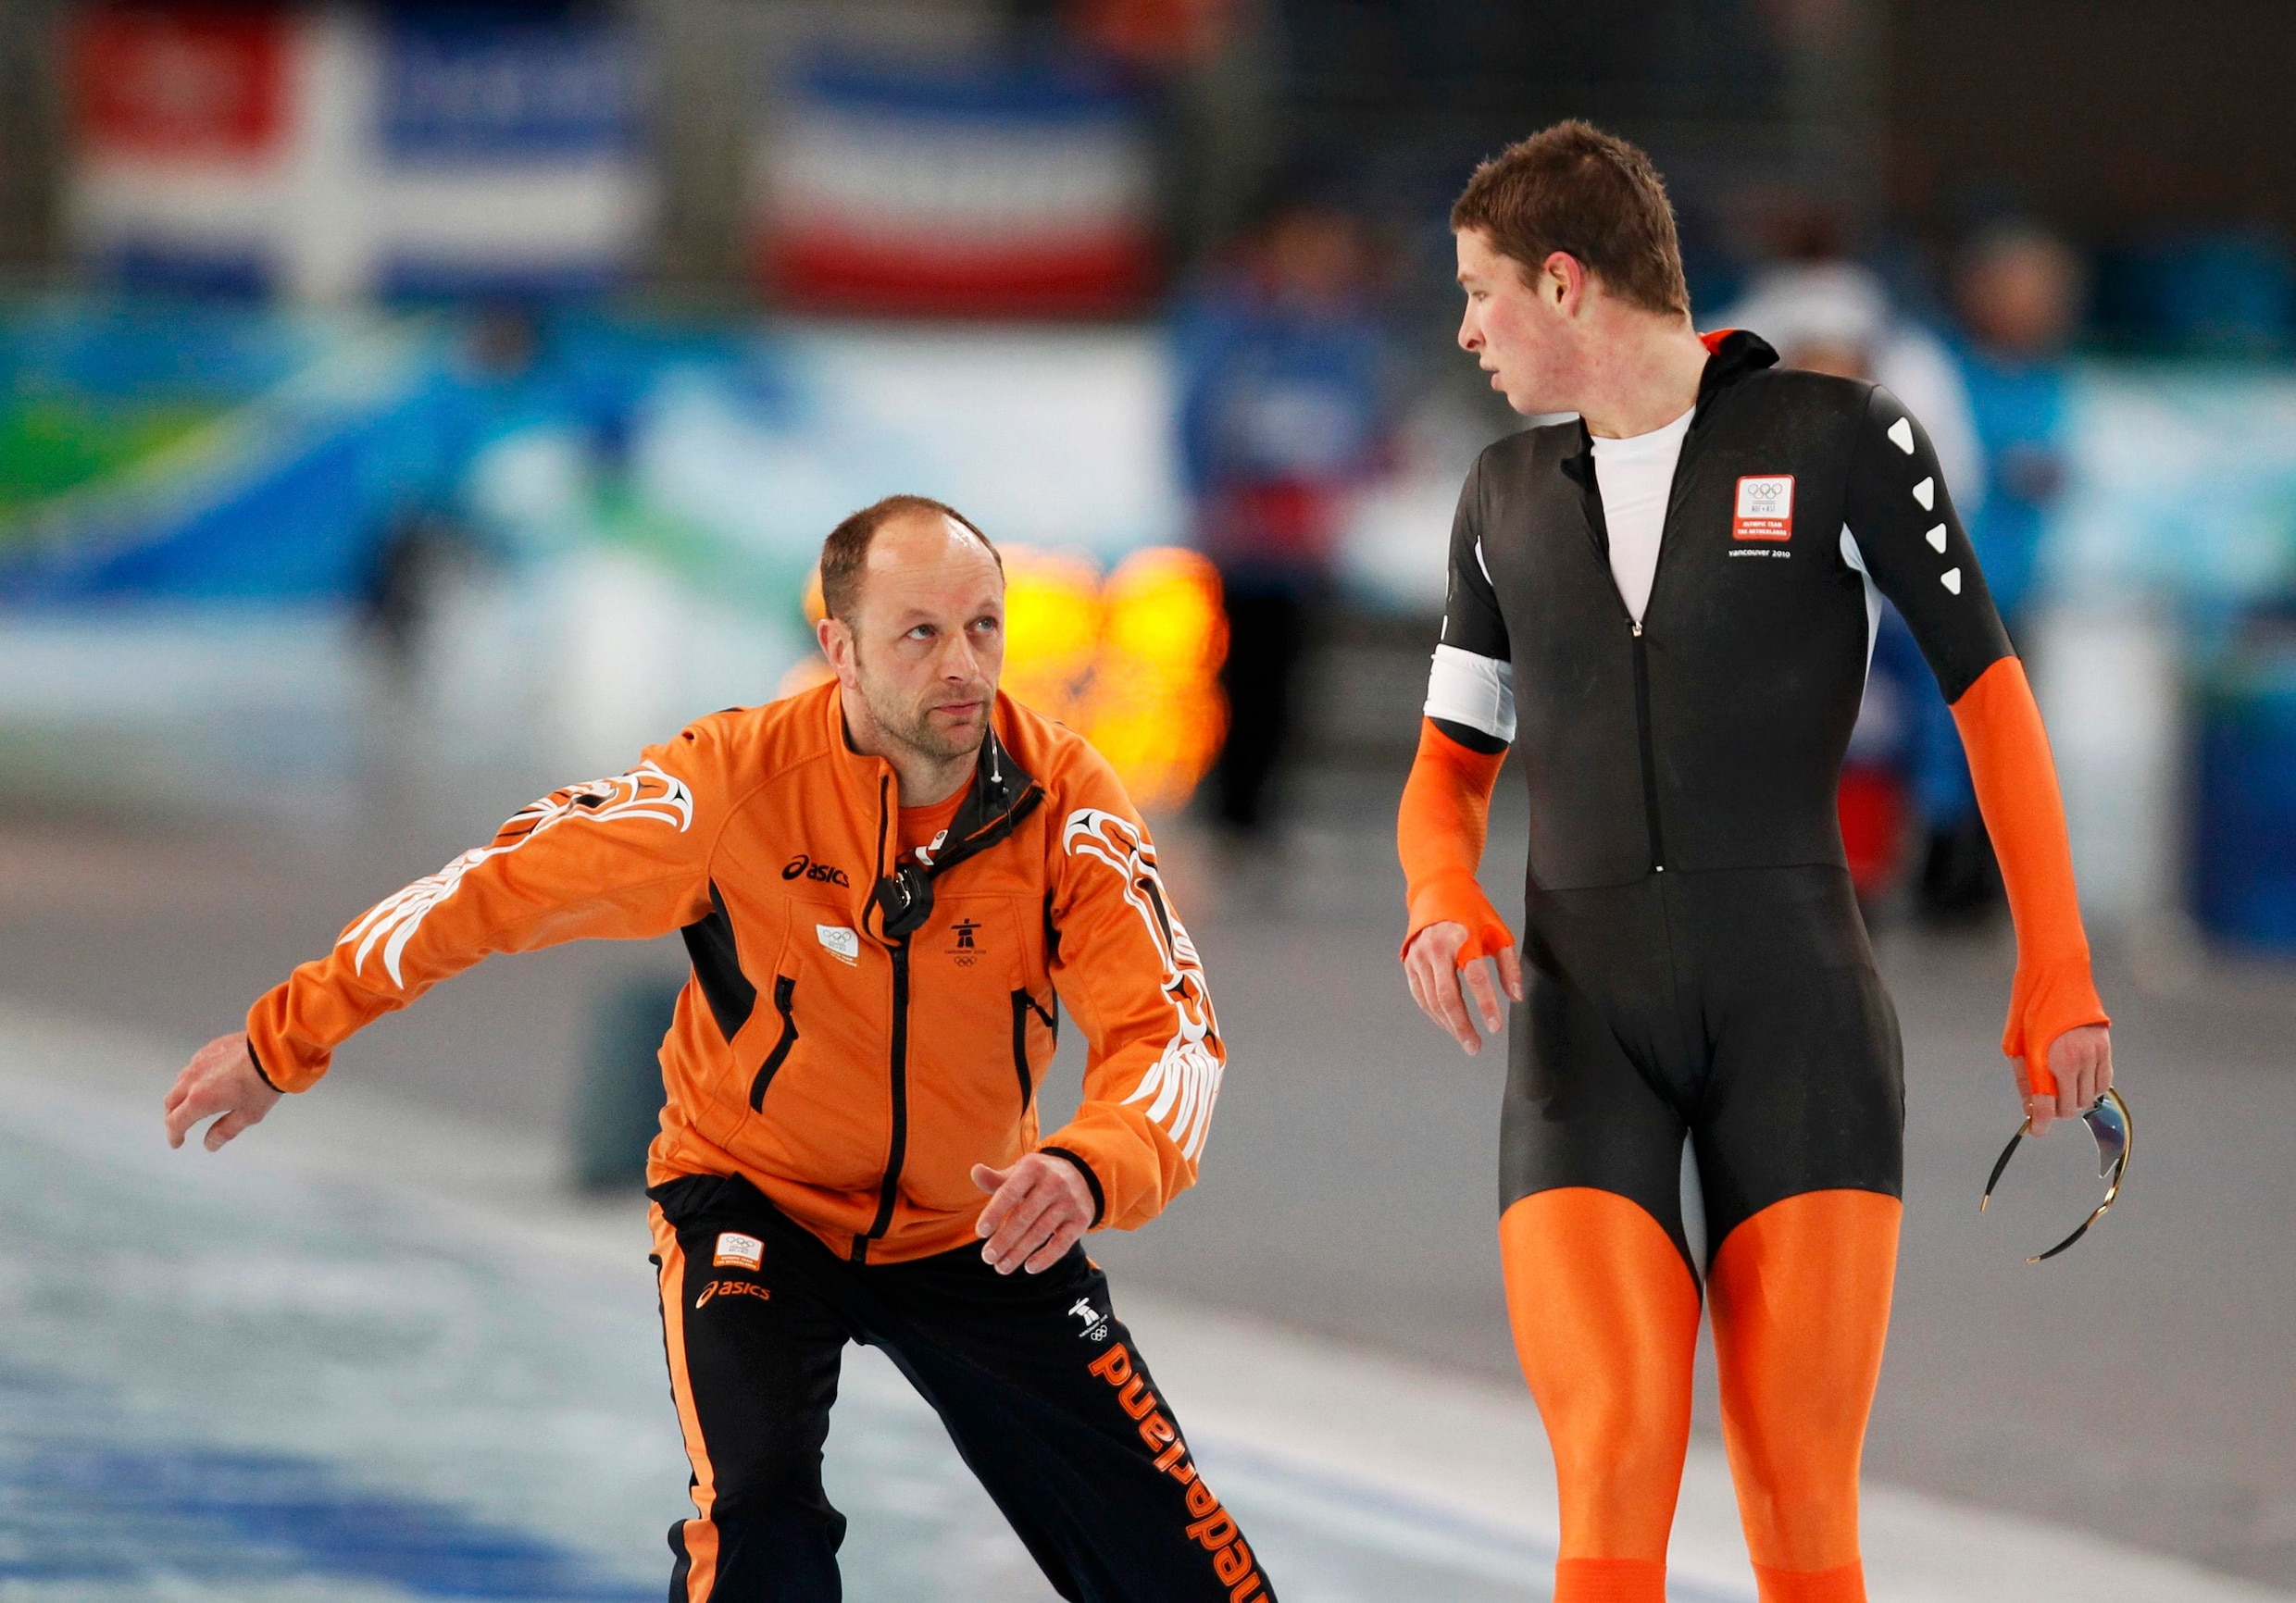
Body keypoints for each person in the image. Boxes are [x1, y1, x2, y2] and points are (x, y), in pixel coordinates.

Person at [161, 495, 1276, 1603]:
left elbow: (1168, 1025)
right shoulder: (730, 786)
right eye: (919, 632)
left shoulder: (1066, 802)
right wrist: (283, 1041)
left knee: (1183, 1568)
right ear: (836, 647)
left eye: (984, 626)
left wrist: (1089, 1163)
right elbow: (493, 891)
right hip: (756, 1205)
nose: (963, 666)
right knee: (761, 1517)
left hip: (977, 1221)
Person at [1396, 123, 2115, 1603]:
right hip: (1582, 1034)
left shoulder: (1842, 436)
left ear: (1566, 281)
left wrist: (2059, 970)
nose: (1464, 330)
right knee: (1608, 1470)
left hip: (1802, 1028)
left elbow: (1993, 703)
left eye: (1479, 292)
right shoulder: (1503, 495)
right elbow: (1449, 770)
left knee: (1799, 1507)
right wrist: (1439, 896)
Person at [1175, 195, 1395, 839]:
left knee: (1290, 670)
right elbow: (1198, 415)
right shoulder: (1235, 319)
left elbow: (1364, 420)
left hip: (1304, 535)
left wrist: (1357, 477)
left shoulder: (1346, 327)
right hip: (1247, 529)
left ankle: (1259, 811)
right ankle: (1228, 810)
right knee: (1242, 667)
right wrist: (1210, 500)